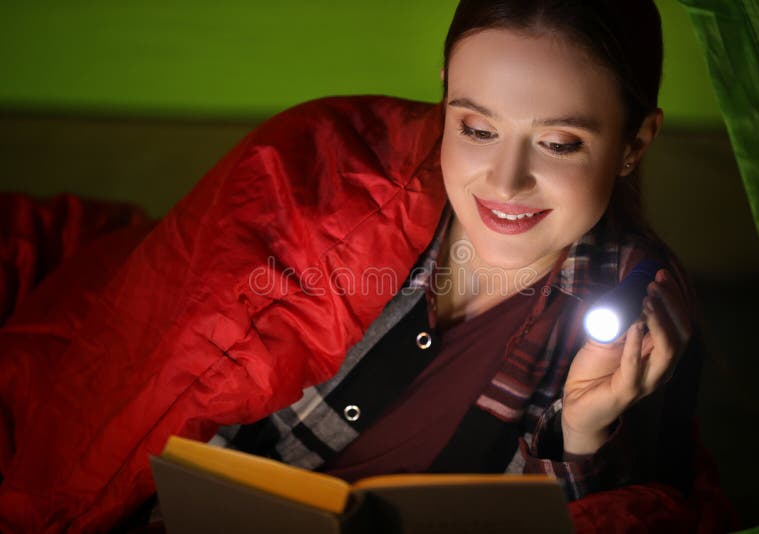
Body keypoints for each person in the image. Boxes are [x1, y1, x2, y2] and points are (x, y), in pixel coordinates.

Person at [0, 0, 706, 532]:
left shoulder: (636, 313)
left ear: (635, 143)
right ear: (445, 97)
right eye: (477, 128)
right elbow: (150, 381)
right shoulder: (336, 177)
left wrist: (582, 433)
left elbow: (616, 510)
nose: (506, 180)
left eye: (557, 143)